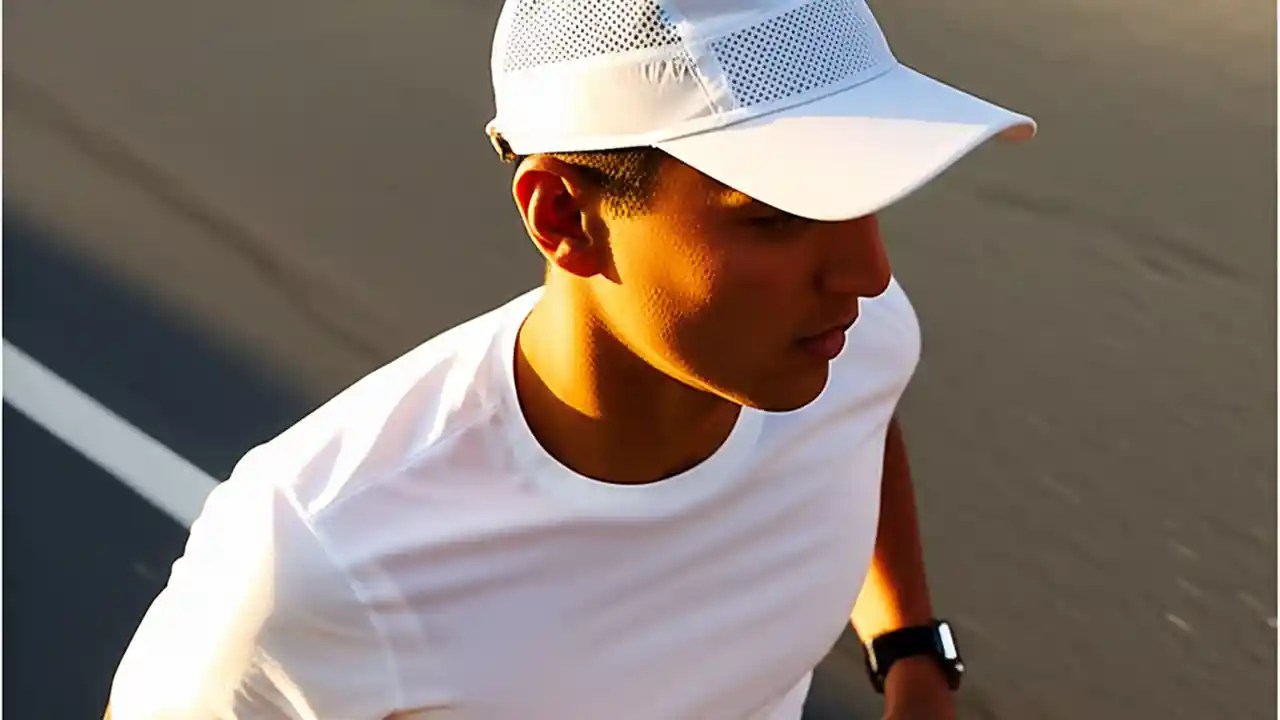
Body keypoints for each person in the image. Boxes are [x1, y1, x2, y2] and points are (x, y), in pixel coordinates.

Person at [106, 0, 1035, 718]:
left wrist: (912, 651)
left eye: (866, 192)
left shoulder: (843, 343)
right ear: (563, 217)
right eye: (782, 214)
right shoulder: (313, 557)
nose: (869, 273)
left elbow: (859, 425)